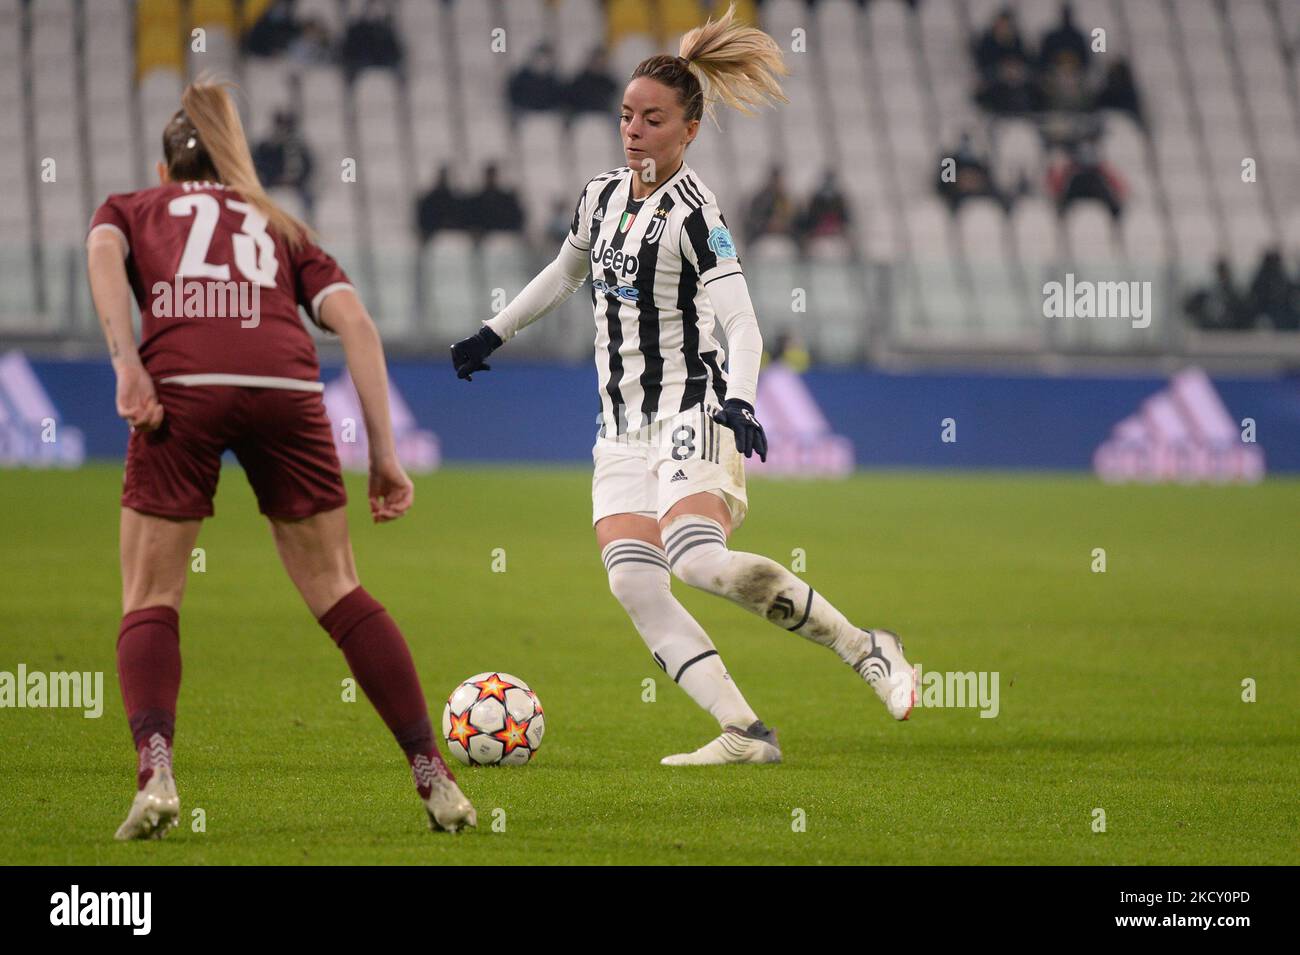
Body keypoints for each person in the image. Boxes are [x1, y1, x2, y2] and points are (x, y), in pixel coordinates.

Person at [449, 4, 917, 767]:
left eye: (653, 119)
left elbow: (745, 325)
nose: (634, 130)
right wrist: (493, 331)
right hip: (618, 430)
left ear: (688, 129)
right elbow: (566, 272)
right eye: (627, 115)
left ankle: (867, 647)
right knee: (636, 583)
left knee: (696, 562)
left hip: (690, 413)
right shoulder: (599, 197)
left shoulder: (698, 216)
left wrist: (738, 400)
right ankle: (746, 732)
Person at [86, 80, 474, 839]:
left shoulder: (129, 206)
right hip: (285, 385)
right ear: (235, 164)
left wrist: (126, 364)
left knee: (151, 594)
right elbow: (356, 323)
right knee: (339, 588)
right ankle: (435, 776)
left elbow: (101, 253)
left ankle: (156, 769)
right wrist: (384, 455)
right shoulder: (282, 224)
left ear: (165, 172)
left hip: (183, 384)